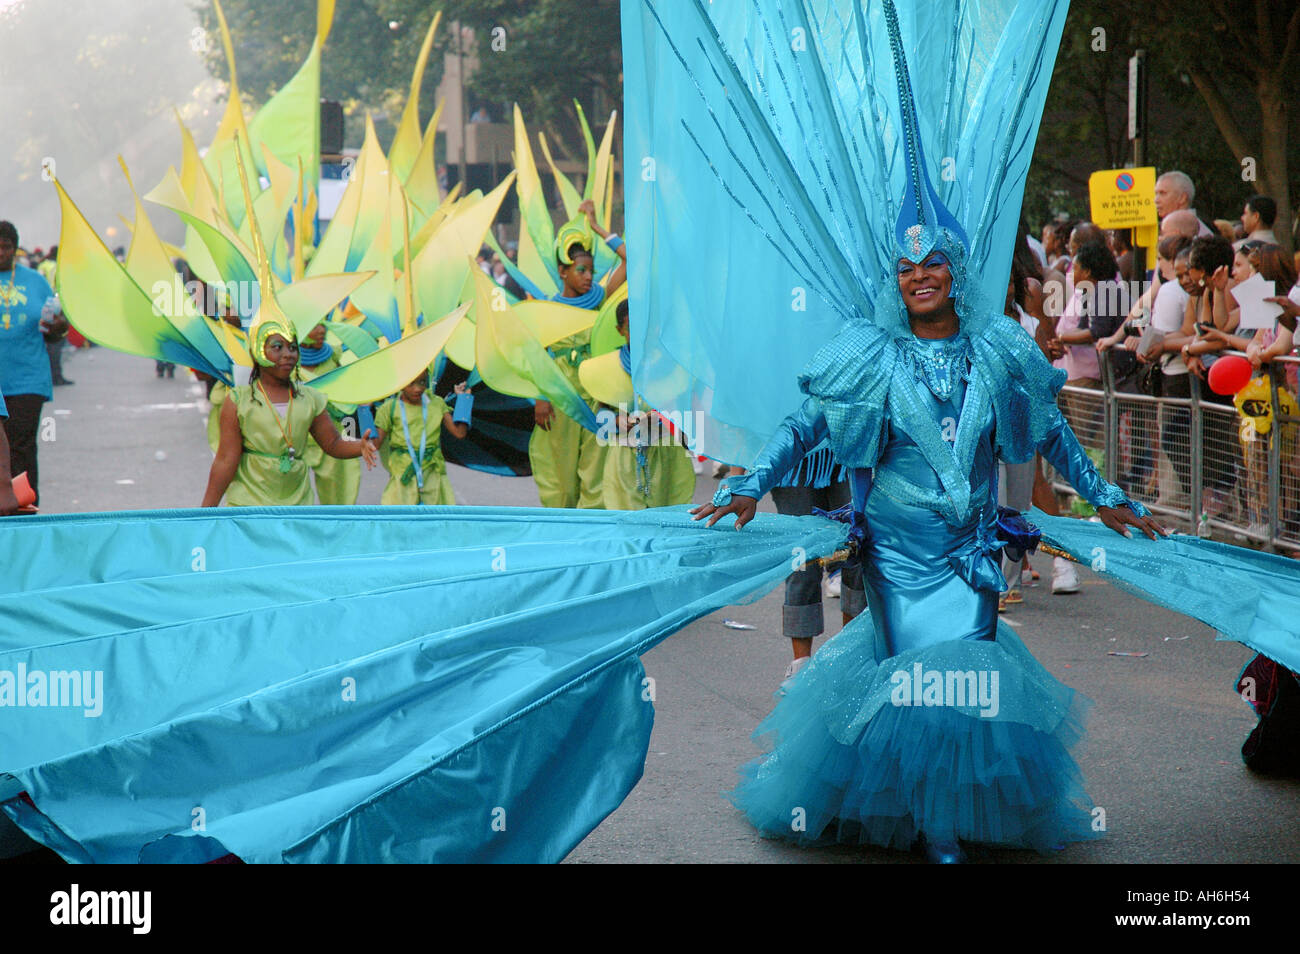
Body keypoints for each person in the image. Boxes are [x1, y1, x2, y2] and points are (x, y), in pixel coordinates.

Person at [695, 227, 1164, 863]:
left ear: (956, 273)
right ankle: (932, 822)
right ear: (894, 281)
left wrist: (1103, 493)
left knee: (963, 674)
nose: (920, 276)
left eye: (934, 263)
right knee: (916, 677)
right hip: (896, 552)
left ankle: (944, 811)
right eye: (906, 267)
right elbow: (805, 425)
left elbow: (1049, 428)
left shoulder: (995, 349)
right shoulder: (871, 355)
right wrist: (753, 483)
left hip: (968, 550)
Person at [200, 311, 377, 507]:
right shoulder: (238, 401)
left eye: (293, 347)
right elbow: (226, 459)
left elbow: (332, 443)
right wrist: (206, 511)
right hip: (250, 503)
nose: (287, 354)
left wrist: (359, 446)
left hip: (296, 504)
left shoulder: (310, 399)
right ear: (257, 352)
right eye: (277, 347)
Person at [530, 198, 626, 509]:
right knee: (561, 475)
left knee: (595, 471)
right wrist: (541, 398)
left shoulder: (601, 300)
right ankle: (564, 531)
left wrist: (597, 226)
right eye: (580, 270)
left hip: (597, 396)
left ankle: (592, 531)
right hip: (559, 399)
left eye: (591, 270)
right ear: (562, 271)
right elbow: (537, 356)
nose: (587, 276)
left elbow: (631, 260)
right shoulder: (547, 307)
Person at [597, 298, 697, 512]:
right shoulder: (610, 367)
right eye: (632, 327)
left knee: (667, 515)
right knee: (628, 518)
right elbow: (602, 409)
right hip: (625, 455)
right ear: (620, 330)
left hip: (666, 452)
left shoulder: (672, 365)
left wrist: (661, 416)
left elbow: (685, 406)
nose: (641, 332)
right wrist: (617, 420)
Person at [0, 220, 67, 505]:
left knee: (21, 446)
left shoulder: (35, 281)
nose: (1, 252)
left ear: (15, 249)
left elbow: (57, 328)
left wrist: (55, 327)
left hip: (27, 379)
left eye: (6, 247)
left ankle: (26, 506)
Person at [372, 373, 471, 506]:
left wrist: (463, 399)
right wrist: (363, 410)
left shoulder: (436, 403)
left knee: (434, 522)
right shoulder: (389, 408)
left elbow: (459, 433)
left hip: (433, 475)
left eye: (423, 382)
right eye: (411, 383)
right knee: (401, 522)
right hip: (403, 477)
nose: (418, 388)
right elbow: (375, 445)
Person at [297, 322, 362, 505]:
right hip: (297, 436)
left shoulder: (334, 356)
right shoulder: (285, 361)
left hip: (331, 431)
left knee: (339, 494)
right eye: (314, 325)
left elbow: (347, 396)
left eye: (323, 324)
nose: (321, 331)